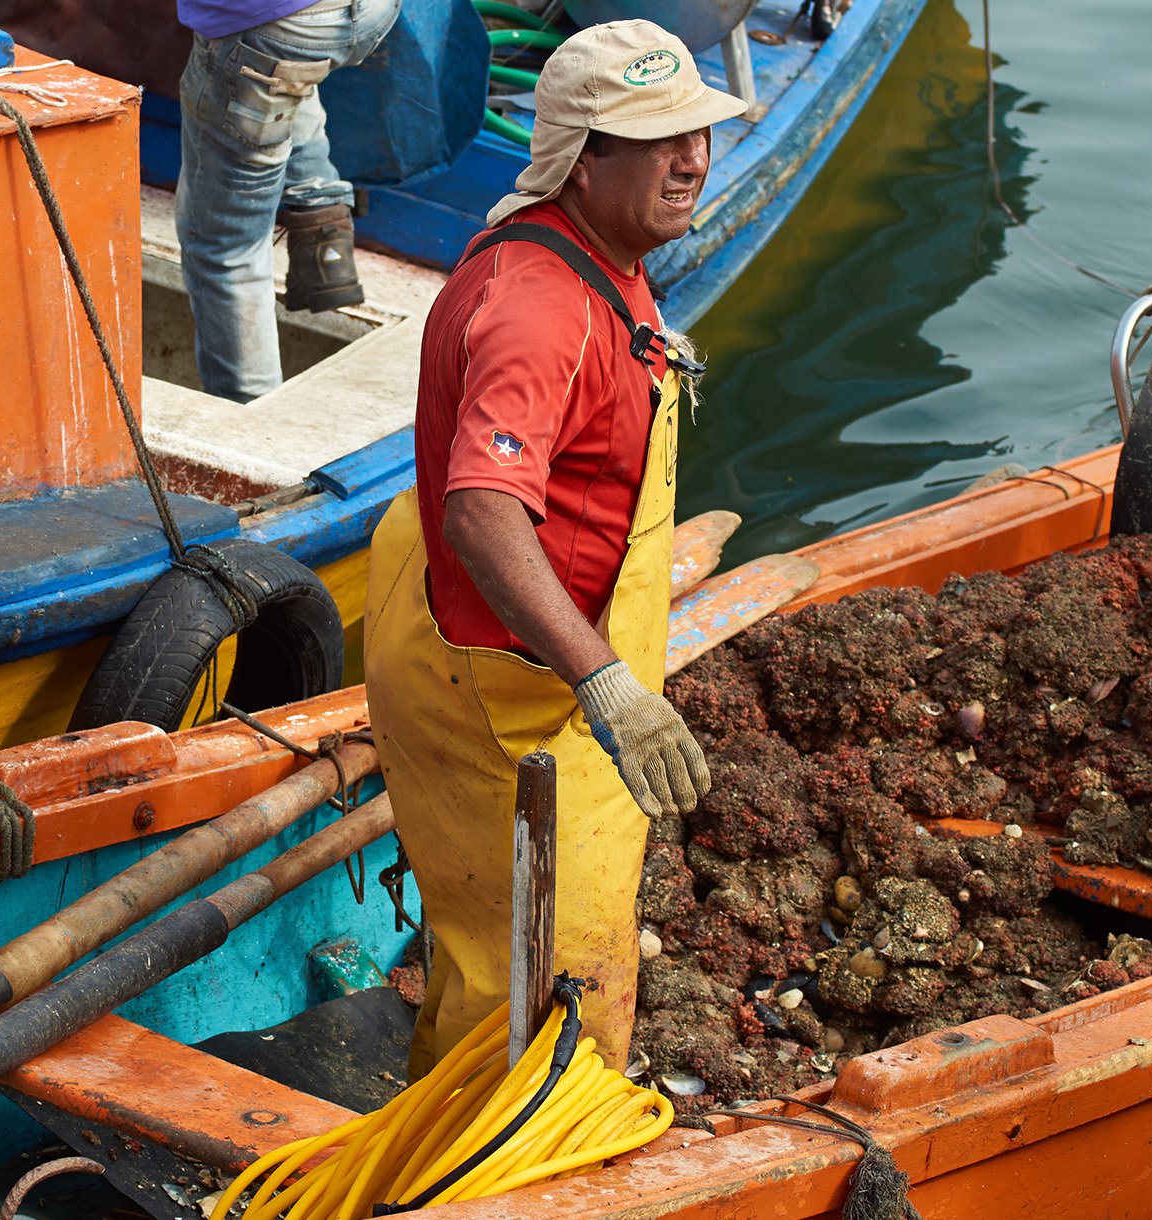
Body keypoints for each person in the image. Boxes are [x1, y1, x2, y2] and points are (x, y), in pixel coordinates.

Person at [363, 19, 741, 1075]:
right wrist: (607, 681)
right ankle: (486, 1171)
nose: (692, 160)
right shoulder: (540, 308)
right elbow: (483, 508)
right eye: (658, 139)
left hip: (509, 650)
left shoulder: (596, 253)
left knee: (502, 946)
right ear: (584, 158)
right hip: (512, 697)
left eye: (698, 133)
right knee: (535, 981)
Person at [174, 0, 400, 402]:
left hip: (278, 25)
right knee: (284, 74)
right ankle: (321, 217)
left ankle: (252, 412)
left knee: (224, 246)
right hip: (369, 12)